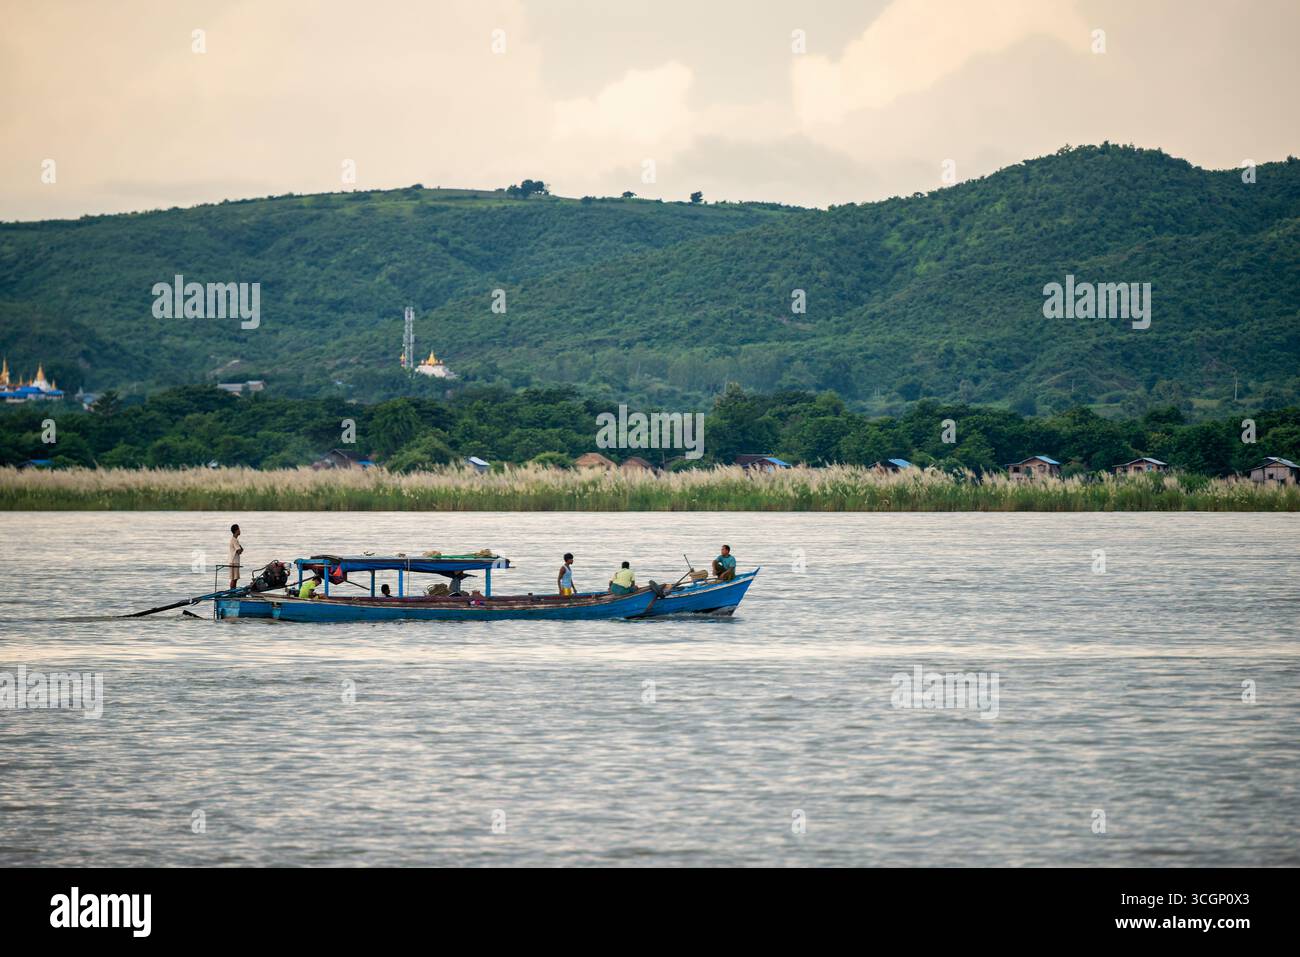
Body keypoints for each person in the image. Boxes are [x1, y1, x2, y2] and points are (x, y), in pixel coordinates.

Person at [228, 524, 244, 589]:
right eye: (239, 529)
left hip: (233, 560)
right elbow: (239, 551)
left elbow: (240, 550)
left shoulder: (234, 540)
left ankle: (232, 590)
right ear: (236, 530)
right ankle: (232, 591)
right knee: (234, 578)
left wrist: (241, 549)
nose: (240, 531)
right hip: (234, 561)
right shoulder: (234, 540)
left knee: (234, 578)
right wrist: (241, 549)